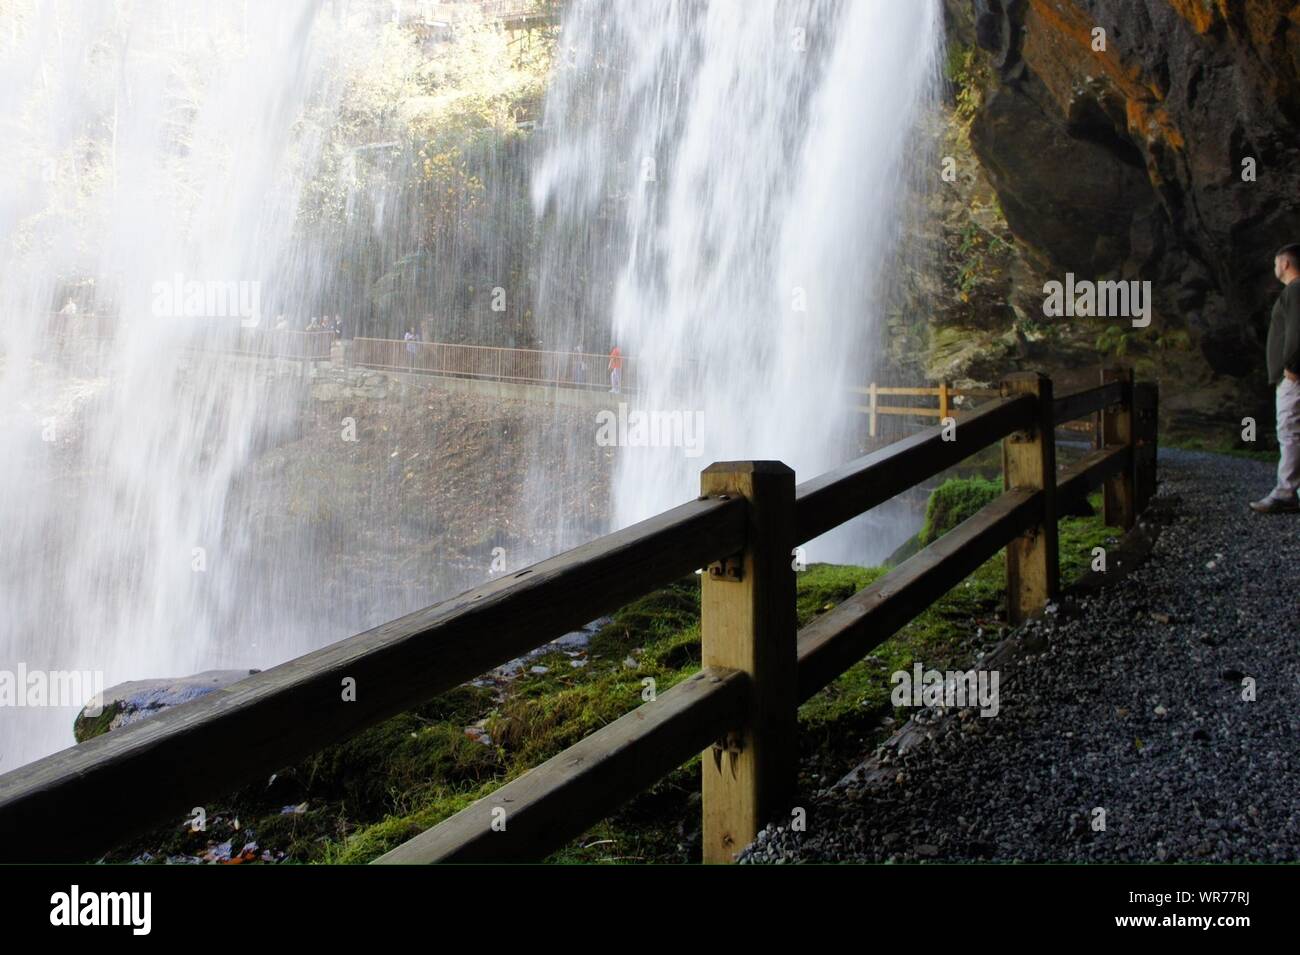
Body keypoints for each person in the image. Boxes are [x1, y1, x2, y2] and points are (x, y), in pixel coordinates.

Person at [1250, 243, 1300, 513]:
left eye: (1276, 263)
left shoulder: (1295, 290)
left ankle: (1285, 493)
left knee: (1290, 432)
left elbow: (1296, 330)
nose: (1274, 268)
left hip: (1295, 378)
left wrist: (1292, 367)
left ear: (1286, 264)